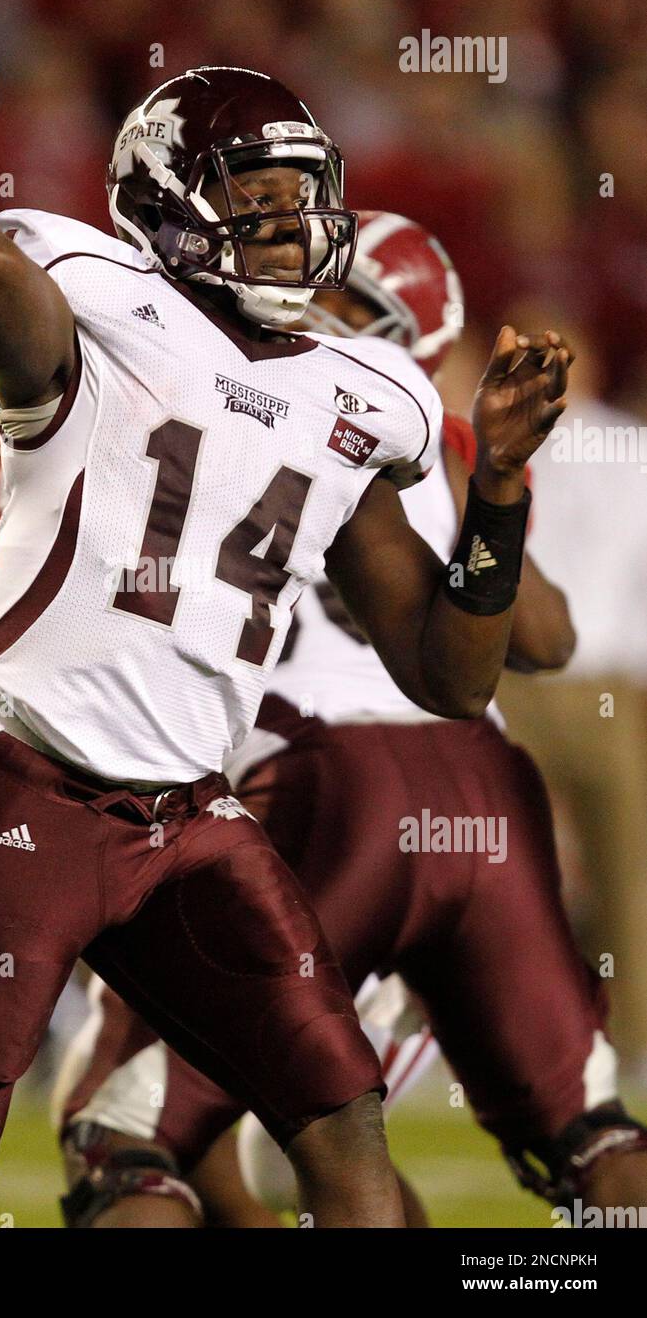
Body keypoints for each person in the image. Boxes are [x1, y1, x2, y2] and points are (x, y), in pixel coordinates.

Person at [0, 67, 567, 1229]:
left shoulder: (365, 391)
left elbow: (448, 675)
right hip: (20, 786)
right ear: (165, 202)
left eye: (303, 194)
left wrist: (494, 489)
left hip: (189, 815)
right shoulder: (92, 290)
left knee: (340, 1120)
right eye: (253, 196)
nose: (291, 226)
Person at [52, 214, 647, 1228]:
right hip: (480, 783)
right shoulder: (436, 444)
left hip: (324, 791)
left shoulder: (239, 395)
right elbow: (542, 636)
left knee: (124, 1135)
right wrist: (479, 507)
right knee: (583, 1129)